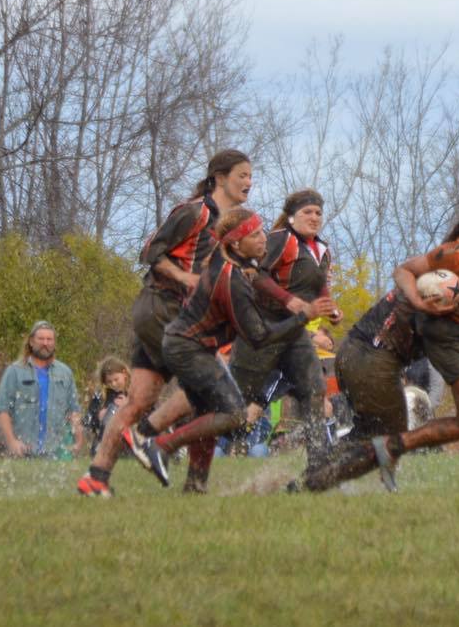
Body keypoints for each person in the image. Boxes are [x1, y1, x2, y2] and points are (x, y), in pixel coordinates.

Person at [292, 191, 459, 493]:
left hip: (449, 345)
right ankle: (312, 480)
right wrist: (420, 300)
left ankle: (314, 481)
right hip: (380, 351)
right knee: (385, 435)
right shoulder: (456, 257)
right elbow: (404, 270)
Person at [78, 149, 254, 496]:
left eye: (251, 176)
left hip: (173, 314)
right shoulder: (195, 212)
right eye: (242, 175)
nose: (249, 182)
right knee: (211, 389)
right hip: (163, 307)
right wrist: (185, 279)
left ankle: (96, 477)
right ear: (219, 178)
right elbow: (150, 251)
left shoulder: (228, 223)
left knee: (140, 399)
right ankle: (147, 437)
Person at [133, 208, 336, 487]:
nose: (264, 239)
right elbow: (259, 337)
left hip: (196, 346)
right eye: (255, 235)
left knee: (214, 413)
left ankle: (192, 481)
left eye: (262, 231)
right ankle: (158, 444)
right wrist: (303, 315)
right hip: (188, 349)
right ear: (237, 243)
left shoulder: (237, 266)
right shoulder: (232, 279)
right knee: (233, 414)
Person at [226, 189, 341, 469]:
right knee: (239, 400)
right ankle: (205, 447)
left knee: (314, 389)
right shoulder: (279, 239)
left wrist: (330, 308)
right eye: (307, 212)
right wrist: (288, 300)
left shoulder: (321, 249)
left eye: (318, 213)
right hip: (262, 326)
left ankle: (318, 463)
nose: (314, 217)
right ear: (291, 216)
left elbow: (318, 284)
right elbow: (255, 274)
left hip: (295, 332)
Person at [0, 321, 83, 458]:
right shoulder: (15, 371)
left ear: (54, 343)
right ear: (31, 341)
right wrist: (12, 442)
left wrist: (78, 441)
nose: (45, 343)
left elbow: (74, 411)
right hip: (24, 452)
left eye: (49, 339)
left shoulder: (65, 373)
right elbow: (2, 411)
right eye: (41, 339)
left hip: (57, 452)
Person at [82, 357, 131, 456]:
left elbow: (149, 420)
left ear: (124, 373)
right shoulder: (100, 396)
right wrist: (98, 416)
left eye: (116, 379)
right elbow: (87, 422)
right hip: (102, 449)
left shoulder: (135, 392)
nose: (113, 384)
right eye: (109, 381)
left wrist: (129, 406)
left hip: (129, 449)